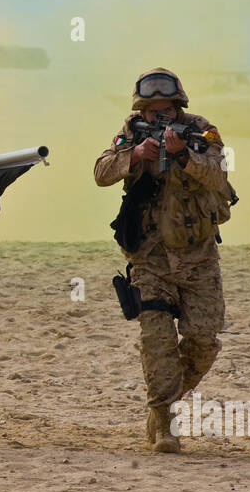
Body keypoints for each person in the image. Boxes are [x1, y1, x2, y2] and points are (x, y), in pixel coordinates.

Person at [94, 68, 236, 452]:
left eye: (167, 109)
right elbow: (101, 172)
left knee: (203, 341)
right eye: (153, 111)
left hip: (198, 257)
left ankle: (164, 405)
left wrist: (182, 155)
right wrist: (136, 154)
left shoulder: (201, 131)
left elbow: (221, 175)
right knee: (156, 341)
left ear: (179, 106)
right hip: (150, 257)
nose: (161, 118)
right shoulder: (132, 130)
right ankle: (164, 422)